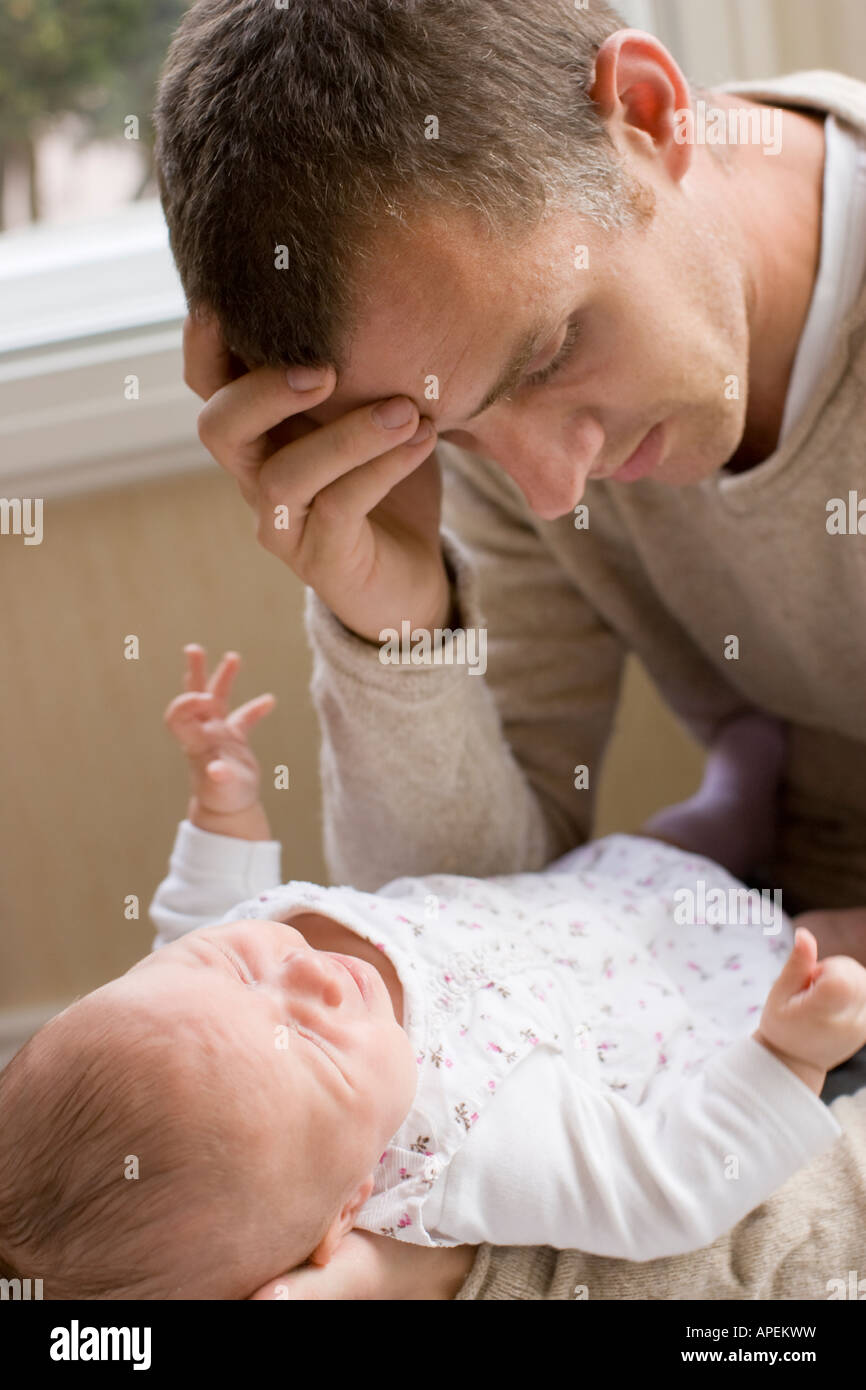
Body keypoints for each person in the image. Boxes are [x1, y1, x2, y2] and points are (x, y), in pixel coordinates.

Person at [154, 0, 866, 1296]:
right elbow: (472, 923)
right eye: (460, 433)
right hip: (775, 970)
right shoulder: (523, 439)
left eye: (548, 351)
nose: (548, 486)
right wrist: (392, 619)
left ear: (645, 119)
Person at [0, 646, 863, 1299]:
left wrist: (223, 803)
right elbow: (665, 1190)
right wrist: (787, 1052)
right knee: (822, 943)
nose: (316, 982)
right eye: (309, 1046)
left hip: (589, 900)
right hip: (693, 987)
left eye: (231, 965)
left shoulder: (182, 1002)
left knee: (682, 837)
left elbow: (200, 903)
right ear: (349, 1206)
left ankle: (736, 796)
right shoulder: (467, 1156)